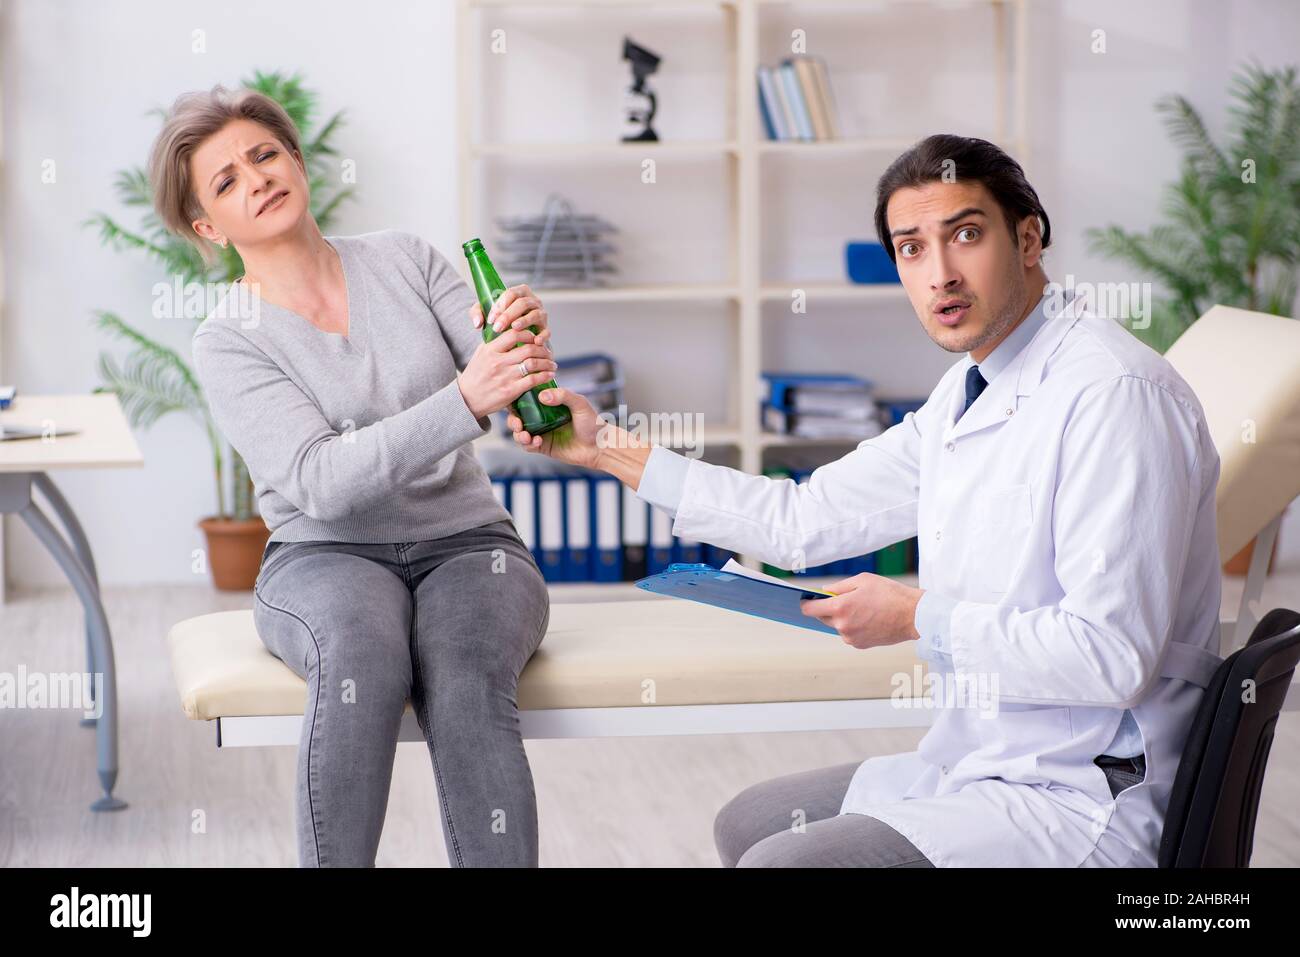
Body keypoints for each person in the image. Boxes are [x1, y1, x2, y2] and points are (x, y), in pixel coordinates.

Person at [505, 134, 1223, 868]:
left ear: (1029, 237)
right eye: (911, 249)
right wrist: (603, 449)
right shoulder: (969, 393)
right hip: (985, 761)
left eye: (965, 235)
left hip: (1087, 797)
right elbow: (803, 520)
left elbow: (1110, 657)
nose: (940, 274)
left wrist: (916, 616)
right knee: (746, 820)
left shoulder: (1114, 395)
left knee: (781, 862)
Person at [154, 85, 559, 867]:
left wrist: (523, 346)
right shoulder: (226, 338)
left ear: (297, 161)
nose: (257, 178)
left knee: (466, 671)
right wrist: (466, 398)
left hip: (469, 542)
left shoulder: (407, 258)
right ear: (208, 225)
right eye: (227, 179)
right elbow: (321, 480)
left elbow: (502, 375)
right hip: (323, 553)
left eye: (265, 154)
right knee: (361, 652)